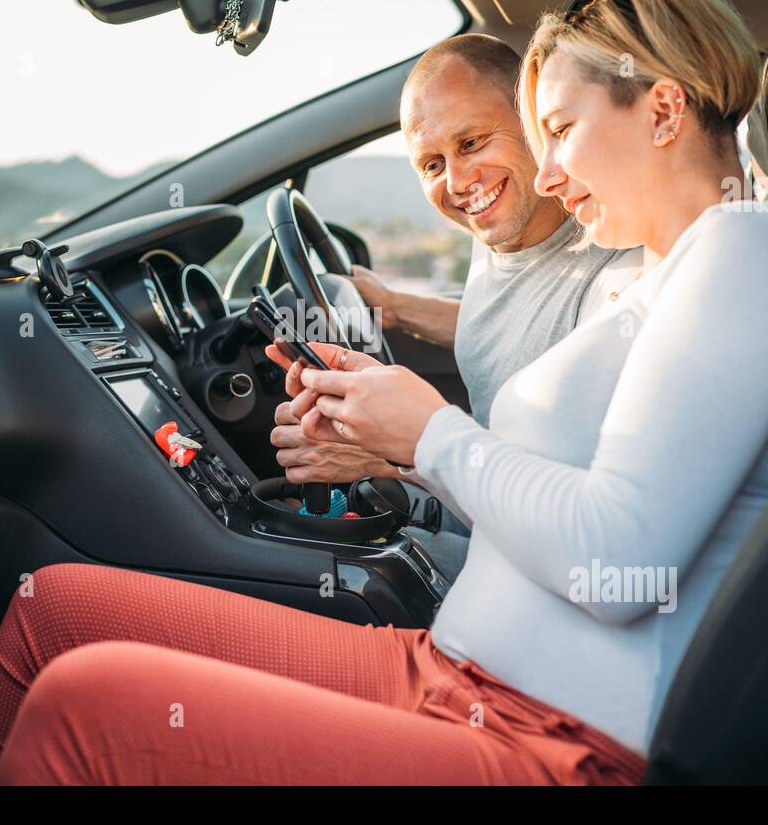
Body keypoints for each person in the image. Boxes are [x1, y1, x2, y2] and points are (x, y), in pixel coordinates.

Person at [0, 0, 768, 787]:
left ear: (662, 109)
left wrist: (428, 433)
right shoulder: (661, 274)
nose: (551, 172)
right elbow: (560, 485)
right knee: (54, 610)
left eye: (562, 130)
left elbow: (617, 558)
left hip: (552, 742)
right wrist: (384, 437)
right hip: (448, 671)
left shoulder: (747, 251)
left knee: (86, 709)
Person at [271, 35, 639, 578]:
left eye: (471, 143)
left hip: (524, 564)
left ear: (532, 118)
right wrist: (394, 308)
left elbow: (566, 527)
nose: (459, 183)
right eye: (431, 164)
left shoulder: (614, 270)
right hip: (474, 511)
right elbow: (511, 326)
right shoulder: (495, 226)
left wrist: (391, 457)